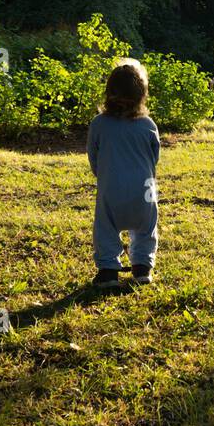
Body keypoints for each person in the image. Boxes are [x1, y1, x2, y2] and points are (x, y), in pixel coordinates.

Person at [86, 59, 160, 288]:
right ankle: (141, 268)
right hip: (145, 190)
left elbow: (94, 156)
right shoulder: (148, 124)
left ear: (108, 92)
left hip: (112, 190)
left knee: (106, 228)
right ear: (142, 95)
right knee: (146, 228)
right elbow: (154, 156)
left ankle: (108, 271)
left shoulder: (99, 124)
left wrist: (106, 175)